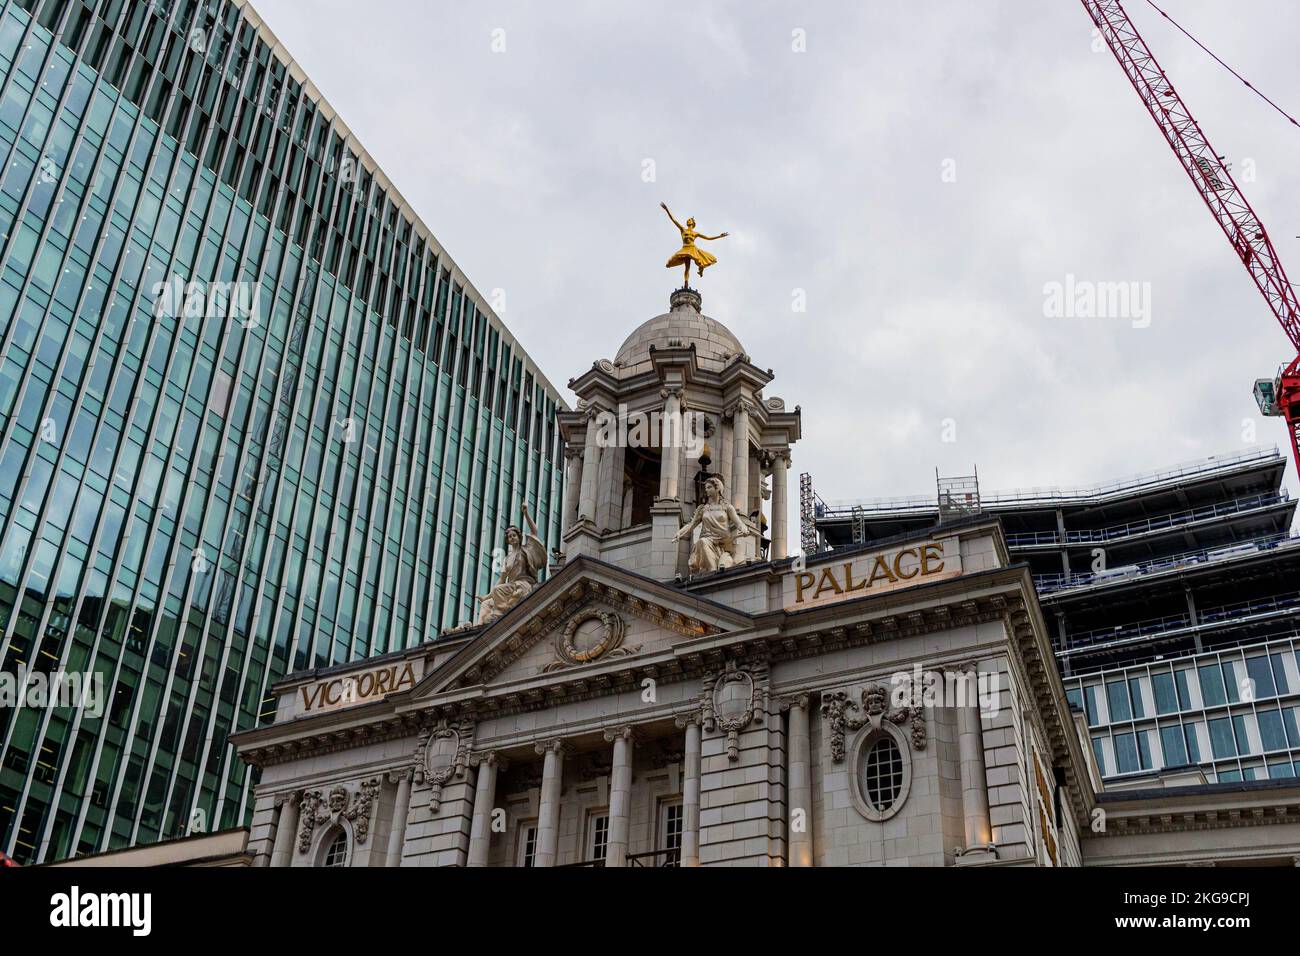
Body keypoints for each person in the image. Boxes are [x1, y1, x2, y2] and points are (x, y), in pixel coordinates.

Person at [475, 509, 546, 624]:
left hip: (523, 585)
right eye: (509, 537)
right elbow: (502, 579)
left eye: (514, 535)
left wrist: (526, 513)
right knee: (486, 603)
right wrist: (487, 596)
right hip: (510, 587)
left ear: (518, 537)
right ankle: (478, 627)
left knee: (504, 591)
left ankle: (503, 612)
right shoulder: (507, 559)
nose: (512, 538)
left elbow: (534, 531)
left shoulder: (525, 551)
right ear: (507, 540)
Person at [673, 476, 755, 573]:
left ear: (717, 488)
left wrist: (744, 529)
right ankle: (711, 572)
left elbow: (739, 523)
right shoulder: (703, 509)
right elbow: (691, 525)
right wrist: (679, 533)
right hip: (708, 540)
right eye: (706, 488)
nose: (706, 490)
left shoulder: (727, 507)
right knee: (702, 542)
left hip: (724, 543)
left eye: (709, 487)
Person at [661, 202, 729, 287]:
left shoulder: (695, 233)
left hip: (692, 249)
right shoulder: (683, 229)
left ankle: (698, 273)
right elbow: (674, 221)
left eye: (690, 220)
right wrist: (667, 210)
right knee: (686, 268)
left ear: (692, 223)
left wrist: (719, 236)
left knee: (699, 261)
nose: (688, 220)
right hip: (685, 249)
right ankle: (688, 280)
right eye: (688, 220)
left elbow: (708, 238)